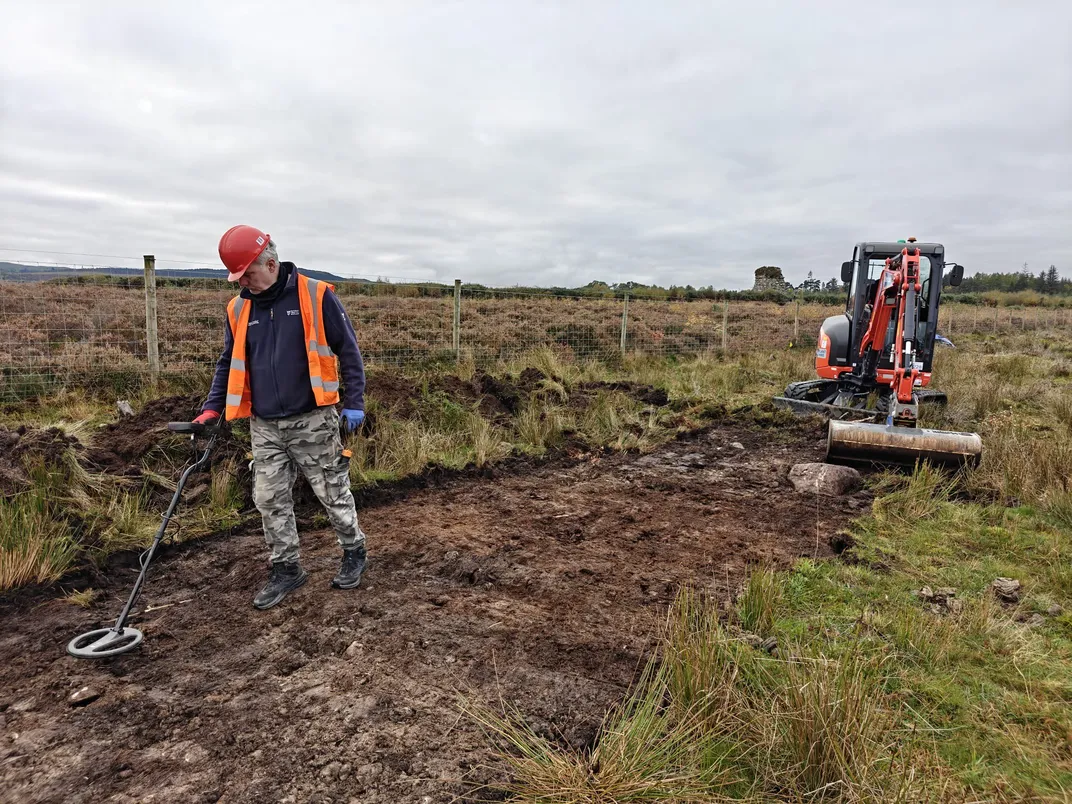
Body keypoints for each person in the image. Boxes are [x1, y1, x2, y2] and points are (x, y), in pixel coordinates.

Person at [193, 225, 369, 610]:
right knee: (268, 498)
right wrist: (212, 407)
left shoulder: (315, 295)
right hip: (265, 424)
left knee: (330, 491)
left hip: (313, 419)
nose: (245, 284)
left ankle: (354, 550)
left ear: (270, 263)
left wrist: (354, 401)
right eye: (239, 278)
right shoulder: (239, 308)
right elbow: (229, 361)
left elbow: (349, 352)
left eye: (249, 275)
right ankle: (286, 567)